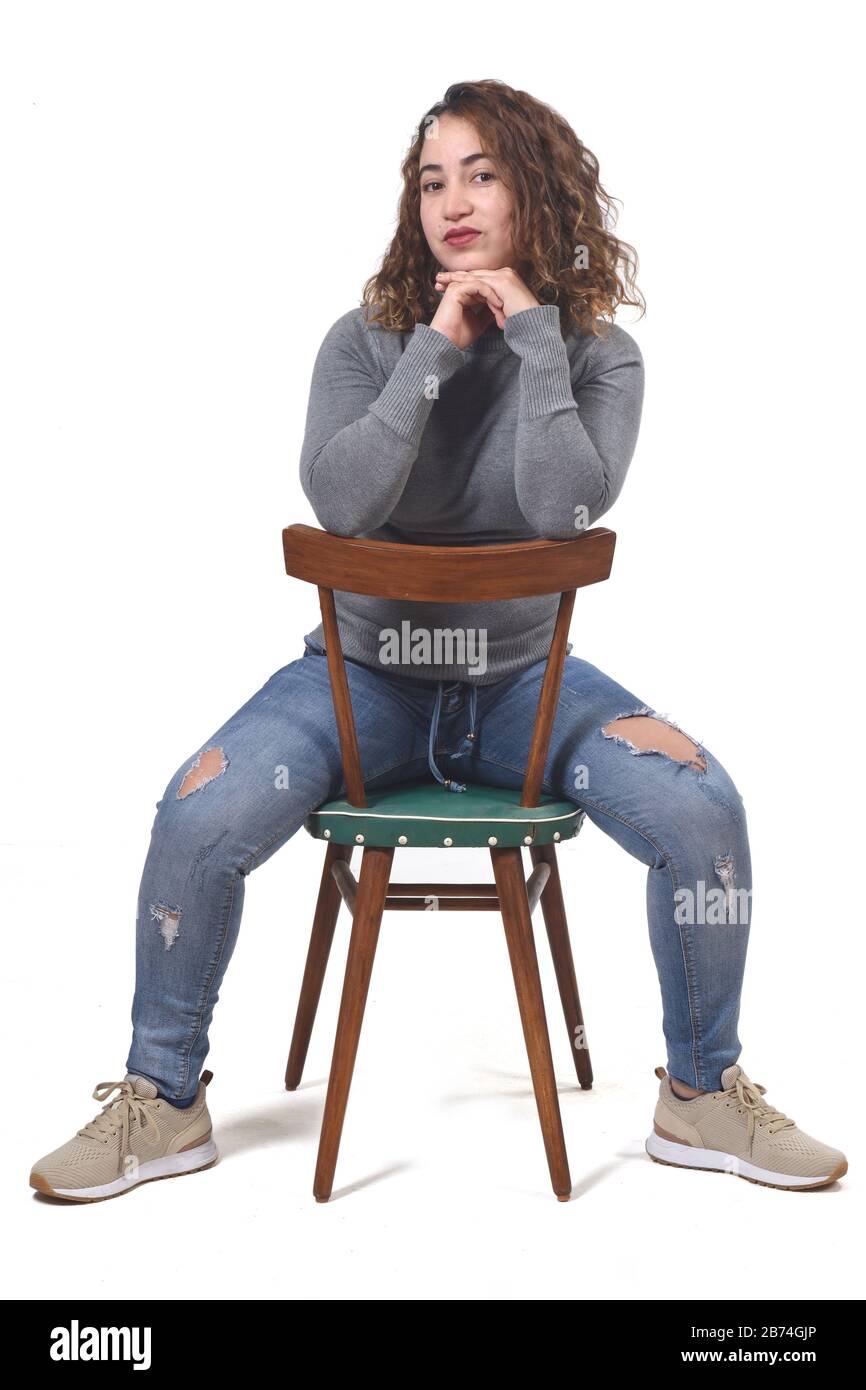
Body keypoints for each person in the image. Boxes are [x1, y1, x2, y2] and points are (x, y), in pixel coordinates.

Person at [30, 79, 846, 1202]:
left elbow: (563, 508)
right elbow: (342, 503)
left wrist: (533, 345)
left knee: (701, 805)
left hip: (521, 683)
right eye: (430, 179)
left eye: (480, 172)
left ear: (535, 191)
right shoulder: (363, 344)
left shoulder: (600, 357)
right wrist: (433, 350)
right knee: (195, 809)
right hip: (364, 678)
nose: (451, 200)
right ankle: (161, 1099)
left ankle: (699, 1091)